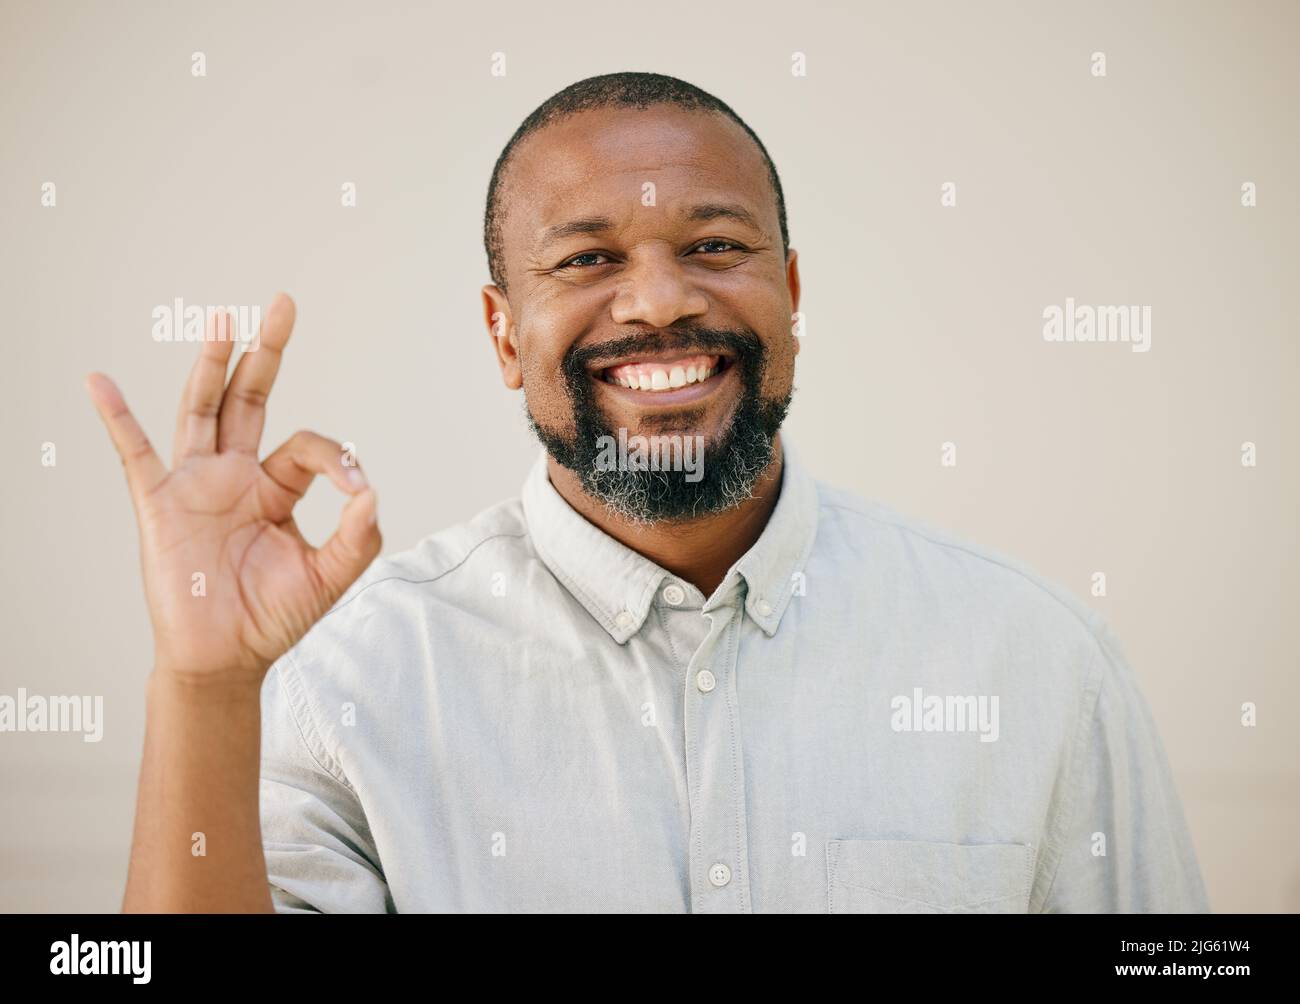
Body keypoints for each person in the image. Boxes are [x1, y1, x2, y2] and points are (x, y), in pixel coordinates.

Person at [88, 71, 1209, 913]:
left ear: (790, 291)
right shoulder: (346, 685)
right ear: (501, 332)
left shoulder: (1039, 662)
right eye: (586, 260)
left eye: (714, 244)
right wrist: (205, 684)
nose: (659, 301)